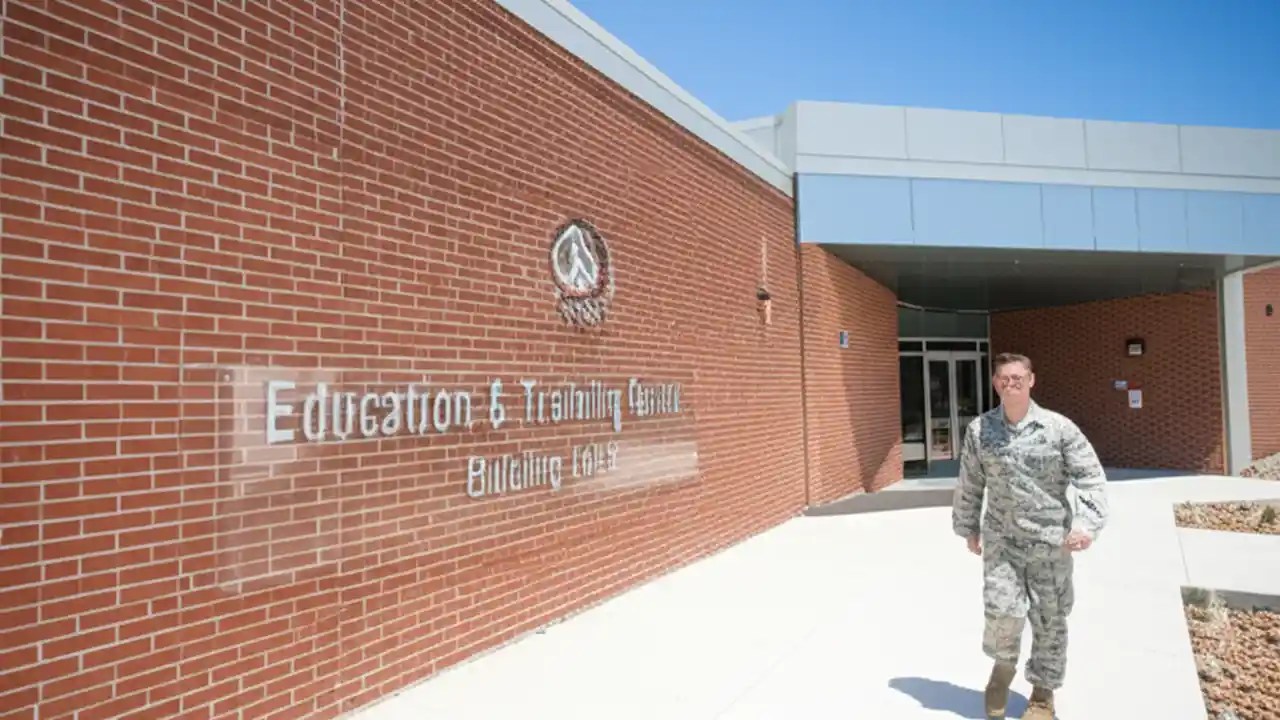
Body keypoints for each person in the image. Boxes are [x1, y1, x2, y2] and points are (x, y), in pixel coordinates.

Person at [951, 352, 1109, 720]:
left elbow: (1091, 478)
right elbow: (970, 482)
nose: (1011, 383)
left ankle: (1042, 695)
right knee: (1002, 613)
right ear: (995, 383)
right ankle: (1002, 673)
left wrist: (1086, 525)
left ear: (1032, 380)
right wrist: (968, 527)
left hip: (1049, 545)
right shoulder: (980, 430)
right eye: (1004, 378)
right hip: (1002, 543)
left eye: (1018, 377)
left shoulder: (1059, 429)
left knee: (1049, 619)